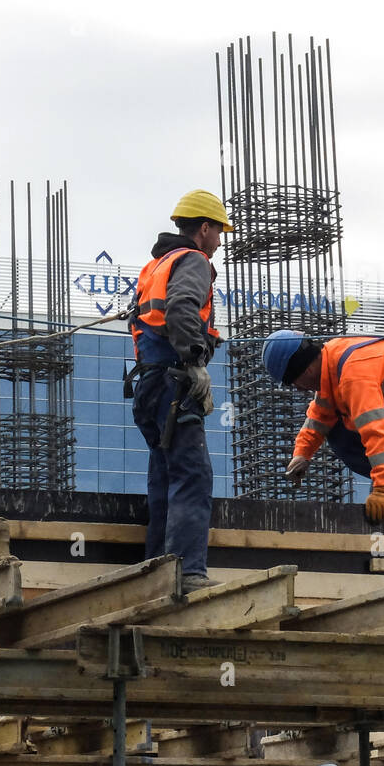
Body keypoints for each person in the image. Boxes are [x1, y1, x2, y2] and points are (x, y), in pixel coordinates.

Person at [126, 189, 233, 593]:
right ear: (203, 229)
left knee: (165, 476)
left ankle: (157, 571)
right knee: (193, 476)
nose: (220, 241)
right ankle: (188, 573)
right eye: (219, 232)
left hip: (150, 384)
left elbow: (152, 320)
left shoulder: (156, 264)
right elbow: (182, 309)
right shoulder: (194, 260)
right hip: (173, 383)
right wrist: (193, 361)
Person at [262, 329, 384, 524]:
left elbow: (376, 433)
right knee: (337, 432)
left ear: (306, 371)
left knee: (382, 509)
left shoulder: (354, 376)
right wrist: (302, 454)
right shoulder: (329, 360)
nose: (298, 389)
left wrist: (382, 489)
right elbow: (320, 414)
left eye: (293, 383)